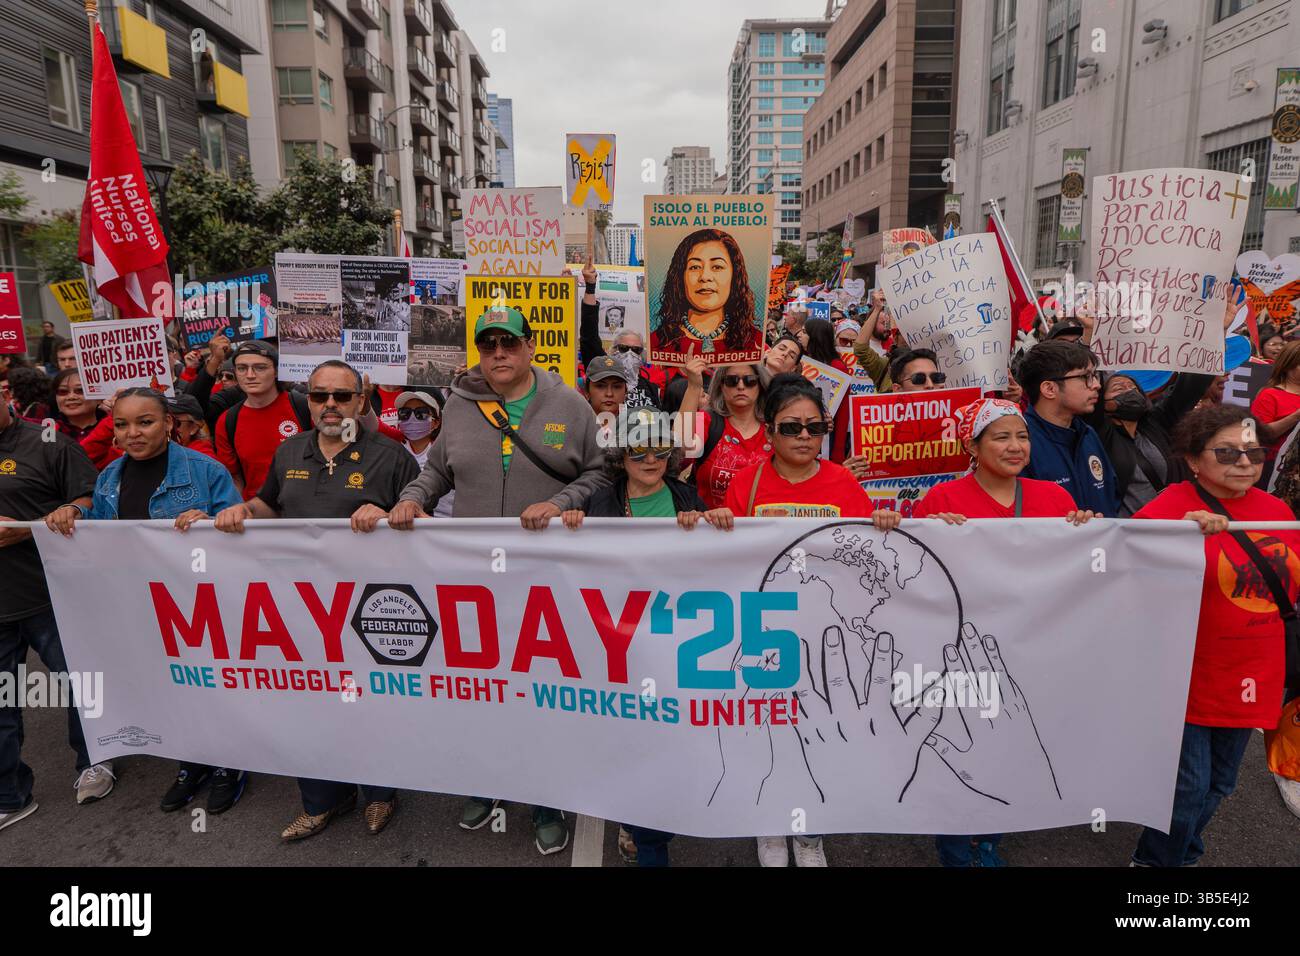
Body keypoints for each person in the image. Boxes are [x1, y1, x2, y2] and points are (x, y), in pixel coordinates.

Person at [371, 304, 607, 856]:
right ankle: (488, 783)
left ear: (529, 346)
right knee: (483, 687)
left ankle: (547, 799)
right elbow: (436, 471)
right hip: (475, 576)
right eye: (488, 345)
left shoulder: (569, 404)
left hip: (547, 574)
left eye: (508, 342)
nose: (498, 353)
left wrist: (558, 500)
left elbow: (599, 471)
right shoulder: (457, 404)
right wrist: (411, 499)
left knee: (545, 689)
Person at [213, 360, 419, 841]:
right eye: (319, 395)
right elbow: (270, 505)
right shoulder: (288, 451)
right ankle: (323, 800)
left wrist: (390, 512)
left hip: (371, 609)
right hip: (301, 608)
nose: (330, 405)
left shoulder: (392, 458)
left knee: (371, 705)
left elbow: (419, 520)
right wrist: (242, 511)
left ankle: (380, 793)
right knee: (307, 703)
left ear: (361, 402)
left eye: (341, 396)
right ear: (308, 401)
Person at [722, 373, 902, 867]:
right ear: (769, 430)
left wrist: (881, 525)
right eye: (791, 427)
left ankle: (809, 833)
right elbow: (727, 557)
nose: (804, 436)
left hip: (830, 635)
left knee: (817, 733)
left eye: (814, 426)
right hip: (766, 630)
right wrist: (712, 525)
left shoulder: (843, 482)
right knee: (769, 731)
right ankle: (770, 827)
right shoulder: (748, 482)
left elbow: (865, 555)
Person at [42, 388, 247, 815]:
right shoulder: (108, 478)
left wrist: (213, 523)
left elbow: (239, 530)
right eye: (122, 424)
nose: (132, 433)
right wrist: (74, 515)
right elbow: (99, 540)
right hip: (140, 605)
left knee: (212, 684)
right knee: (172, 685)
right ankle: (193, 762)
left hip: (199, 603)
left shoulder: (205, 471)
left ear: (169, 423)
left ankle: (231, 763)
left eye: (145, 422)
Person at [915, 397, 1095, 866]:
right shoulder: (942, 500)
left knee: (1014, 745)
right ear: (972, 447)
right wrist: (931, 531)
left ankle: (990, 836)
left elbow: (1078, 572)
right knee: (963, 747)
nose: (1016, 446)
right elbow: (915, 576)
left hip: (1029, 648)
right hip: (962, 652)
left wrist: (1086, 532)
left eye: (1022, 436)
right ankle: (955, 844)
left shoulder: (1056, 500)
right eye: (1001, 437)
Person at [557, 409, 733, 866]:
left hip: (672, 645)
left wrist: (714, 525)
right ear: (621, 455)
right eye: (639, 449)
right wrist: (571, 528)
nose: (650, 459)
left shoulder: (687, 497)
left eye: (660, 450)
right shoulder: (597, 503)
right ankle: (644, 834)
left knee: (666, 744)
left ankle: (652, 829)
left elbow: (712, 568)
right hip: (615, 646)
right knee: (628, 743)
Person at [1131, 403, 1297, 866]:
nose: (1245, 463)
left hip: (1257, 669)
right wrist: (1173, 537)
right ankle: (1156, 860)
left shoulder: (1276, 511)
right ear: (1193, 459)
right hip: (1188, 669)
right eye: (1227, 453)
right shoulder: (1173, 506)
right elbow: (1121, 567)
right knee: (1187, 788)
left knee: (1222, 783)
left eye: (1255, 453)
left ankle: (1181, 851)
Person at [0, 391, 104, 830]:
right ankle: (10, 794)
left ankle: (95, 761)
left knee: (78, 684)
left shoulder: (48, 441)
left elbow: (90, 497)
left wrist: (41, 524)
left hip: (50, 592)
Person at [1083, 371, 1214, 516]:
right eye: (1118, 388)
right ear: (1101, 400)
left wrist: (1207, 350)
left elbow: (1191, 385)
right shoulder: (1098, 434)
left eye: (1134, 388)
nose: (1129, 392)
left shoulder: (1158, 423)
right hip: (1132, 531)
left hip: (1177, 523)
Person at [1017, 339, 1119, 515]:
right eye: (1085, 377)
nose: (1096, 385)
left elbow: (1112, 497)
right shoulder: (1020, 444)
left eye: (1094, 375)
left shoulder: (1088, 434)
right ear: (1049, 389)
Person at [212, 341, 313, 500]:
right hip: (257, 515)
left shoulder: (304, 407)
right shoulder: (227, 421)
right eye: (242, 368)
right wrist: (236, 511)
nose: (250, 375)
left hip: (304, 511)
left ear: (277, 371)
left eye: (260, 367)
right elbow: (234, 479)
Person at [651, 228, 762, 362]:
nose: (705, 277)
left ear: (735, 275)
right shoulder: (657, 344)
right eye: (695, 267)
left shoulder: (756, 345)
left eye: (717, 267)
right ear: (680, 277)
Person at [679, 355, 772, 510]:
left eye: (750, 381)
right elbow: (679, 449)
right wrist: (693, 387)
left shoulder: (775, 428)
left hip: (762, 530)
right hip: (710, 529)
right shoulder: (707, 421)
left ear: (760, 385)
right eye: (732, 381)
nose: (741, 386)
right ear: (721, 386)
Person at [577, 259, 661, 409]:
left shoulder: (652, 389)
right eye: (623, 348)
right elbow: (589, 335)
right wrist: (590, 286)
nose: (629, 354)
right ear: (612, 351)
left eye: (636, 350)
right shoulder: (601, 369)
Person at [802, 318, 853, 462]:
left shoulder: (837, 367)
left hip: (826, 438)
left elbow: (843, 412)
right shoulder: (802, 361)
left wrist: (838, 450)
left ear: (815, 337)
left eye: (805, 332)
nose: (800, 335)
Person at [1250, 340, 1300, 467]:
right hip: (1276, 467)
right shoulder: (1270, 395)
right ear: (1288, 365)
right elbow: (1259, 434)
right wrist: (1295, 417)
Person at [48, 369, 103, 440]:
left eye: (80, 390)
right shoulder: (47, 432)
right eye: (63, 391)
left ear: (99, 398)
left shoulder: (113, 427)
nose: (71, 397)